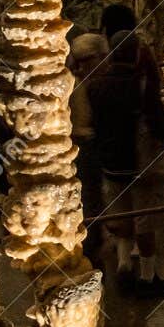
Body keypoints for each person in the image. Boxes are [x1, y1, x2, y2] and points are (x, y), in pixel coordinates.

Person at [87, 5, 164, 294]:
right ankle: (147, 277)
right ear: (136, 54)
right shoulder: (141, 86)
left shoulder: (96, 86)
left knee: (120, 217)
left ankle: (123, 265)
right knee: (145, 221)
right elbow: (157, 121)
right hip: (140, 164)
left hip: (112, 164)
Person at [69, 31, 109, 262]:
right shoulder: (74, 85)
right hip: (81, 148)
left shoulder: (86, 83)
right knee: (89, 200)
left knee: (92, 199)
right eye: (101, 57)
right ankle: (90, 251)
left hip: (86, 146)